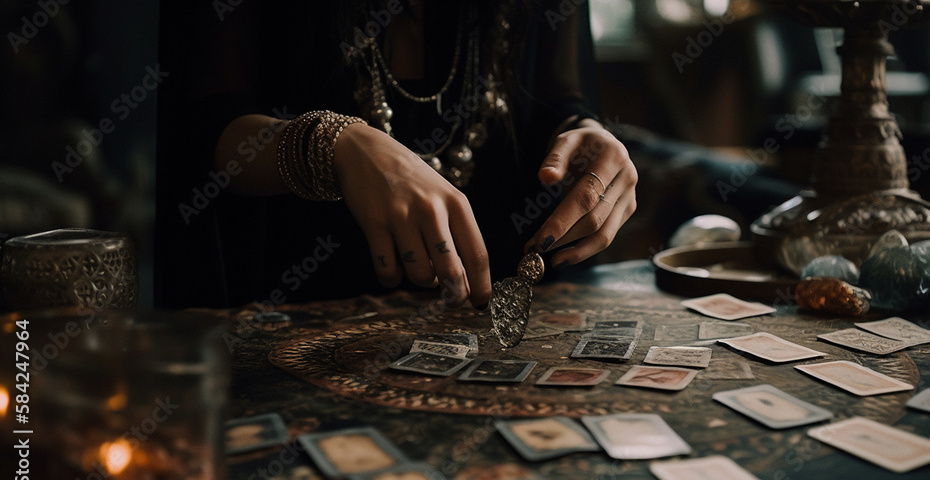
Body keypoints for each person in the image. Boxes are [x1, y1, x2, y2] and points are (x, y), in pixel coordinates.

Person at [155, 0, 637, 309]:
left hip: (503, 321)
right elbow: (204, 129)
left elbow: (557, 98)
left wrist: (584, 135)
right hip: (306, 310)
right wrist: (333, 144)